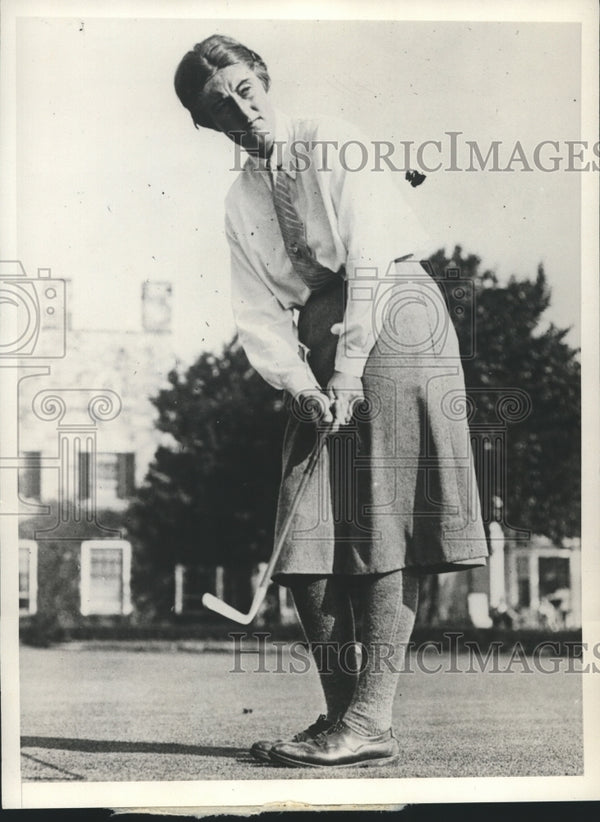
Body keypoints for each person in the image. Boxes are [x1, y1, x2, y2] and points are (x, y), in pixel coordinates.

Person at [174, 34, 489, 768]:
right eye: (221, 106)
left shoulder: (332, 140)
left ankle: (368, 721)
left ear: (265, 79)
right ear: (207, 123)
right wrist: (304, 384)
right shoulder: (239, 198)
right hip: (318, 336)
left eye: (247, 87)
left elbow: (373, 255)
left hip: (394, 315)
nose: (242, 108)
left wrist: (346, 370)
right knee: (304, 524)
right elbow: (256, 312)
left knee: (379, 516)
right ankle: (348, 719)